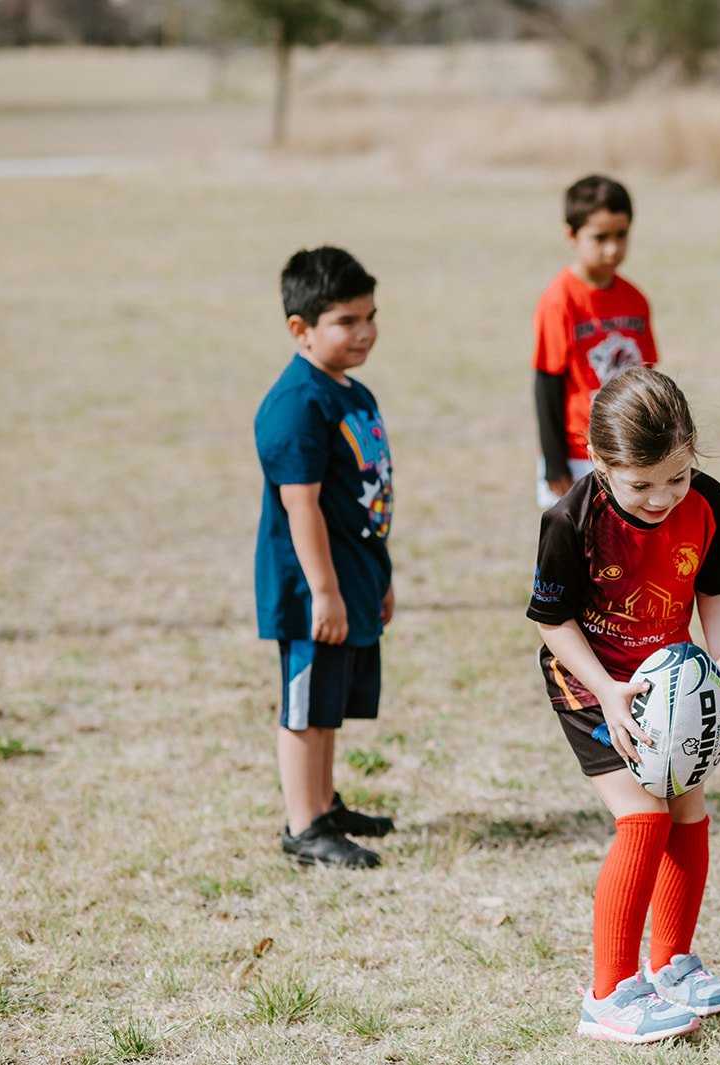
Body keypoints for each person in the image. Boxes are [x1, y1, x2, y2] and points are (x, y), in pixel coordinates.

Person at [527, 368, 720, 1043]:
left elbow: (716, 591)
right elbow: (551, 621)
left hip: (668, 683)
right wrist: (607, 690)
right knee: (644, 817)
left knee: (688, 807)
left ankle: (673, 966)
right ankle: (610, 994)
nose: (662, 497)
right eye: (641, 483)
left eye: (676, 477)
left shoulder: (708, 502)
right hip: (590, 680)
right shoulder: (571, 518)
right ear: (600, 464)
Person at [254, 247, 397, 869]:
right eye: (345, 320)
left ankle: (324, 803)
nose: (364, 330)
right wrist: (326, 591)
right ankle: (303, 825)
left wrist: (376, 579)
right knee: (306, 706)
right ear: (301, 328)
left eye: (369, 315)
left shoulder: (351, 392)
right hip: (311, 588)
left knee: (329, 704)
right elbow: (302, 507)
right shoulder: (297, 404)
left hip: (350, 576)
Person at [533, 174, 659, 509]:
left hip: (629, 448)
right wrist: (553, 459)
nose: (613, 248)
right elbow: (546, 382)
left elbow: (647, 377)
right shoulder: (560, 300)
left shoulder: (635, 300)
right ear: (571, 235)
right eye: (600, 237)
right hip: (578, 451)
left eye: (621, 234)